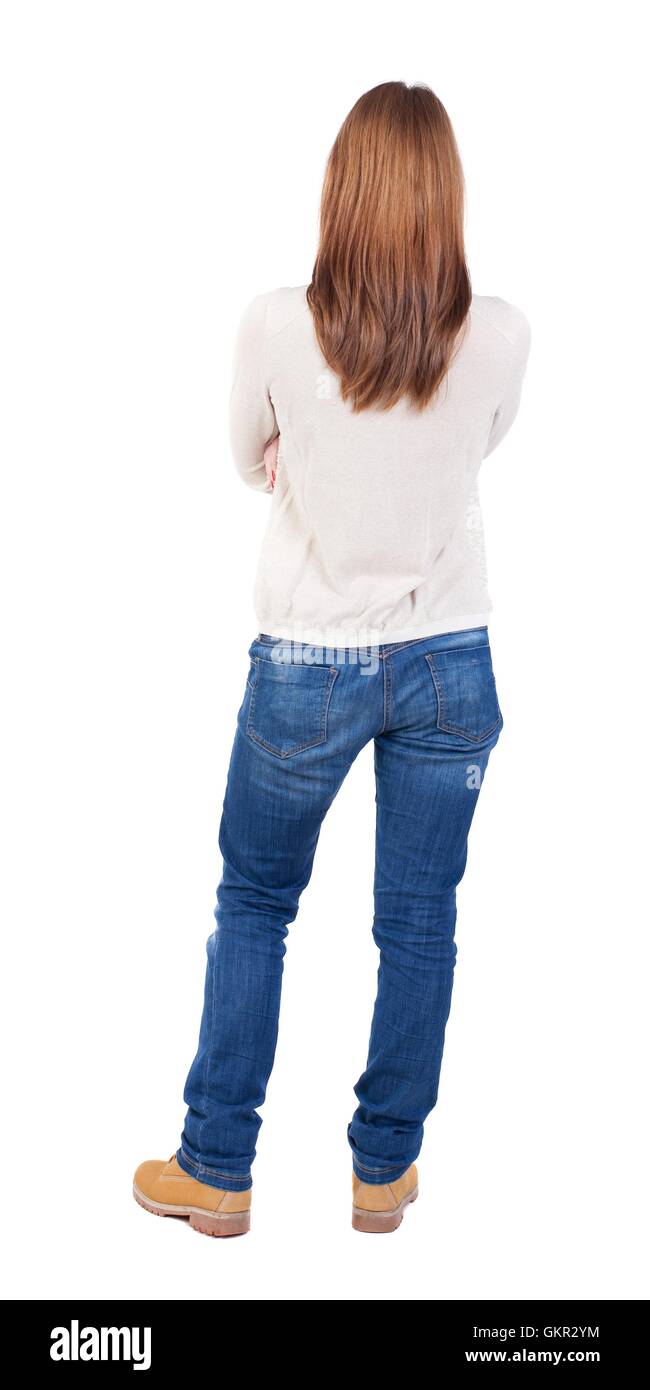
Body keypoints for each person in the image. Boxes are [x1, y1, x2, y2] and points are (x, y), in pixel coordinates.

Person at [133, 80, 531, 1237]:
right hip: (448, 659)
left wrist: (309, 452)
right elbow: (472, 450)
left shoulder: (272, 322)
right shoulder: (499, 333)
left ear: (339, 189)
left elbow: (241, 452)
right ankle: (380, 1172)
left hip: (308, 659)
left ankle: (215, 1167)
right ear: (445, 195)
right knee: (418, 921)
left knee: (255, 901)